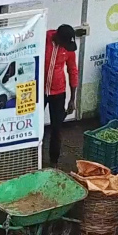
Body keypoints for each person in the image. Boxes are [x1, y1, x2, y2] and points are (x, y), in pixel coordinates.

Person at [43, 25, 80, 166]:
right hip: (40, 92)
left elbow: (72, 70)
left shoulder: (68, 50)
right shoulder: (44, 38)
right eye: (64, 43)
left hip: (58, 93)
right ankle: (35, 159)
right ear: (57, 38)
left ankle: (54, 162)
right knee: (36, 128)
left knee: (56, 129)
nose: (66, 47)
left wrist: (72, 98)